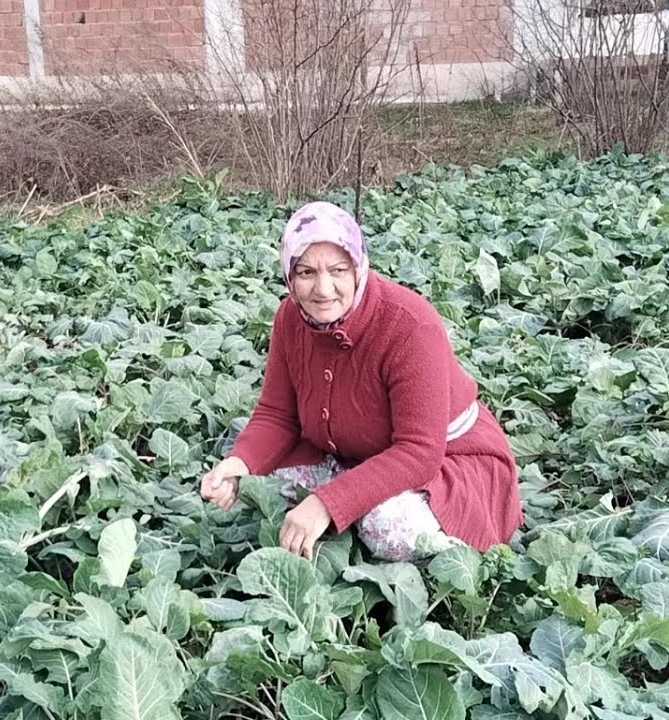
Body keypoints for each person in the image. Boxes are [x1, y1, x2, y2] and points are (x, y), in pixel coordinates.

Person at [199, 201, 523, 562]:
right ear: (289, 274)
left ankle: (458, 556)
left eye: (338, 270)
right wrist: (237, 464)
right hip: (346, 453)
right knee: (258, 485)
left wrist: (327, 502)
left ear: (358, 267)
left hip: (446, 463)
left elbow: (419, 453)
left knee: (390, 528)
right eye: (305, 272)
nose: (323, 289)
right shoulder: (290, 318)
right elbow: (278, 415)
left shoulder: (410, 327)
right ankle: (350, 502)